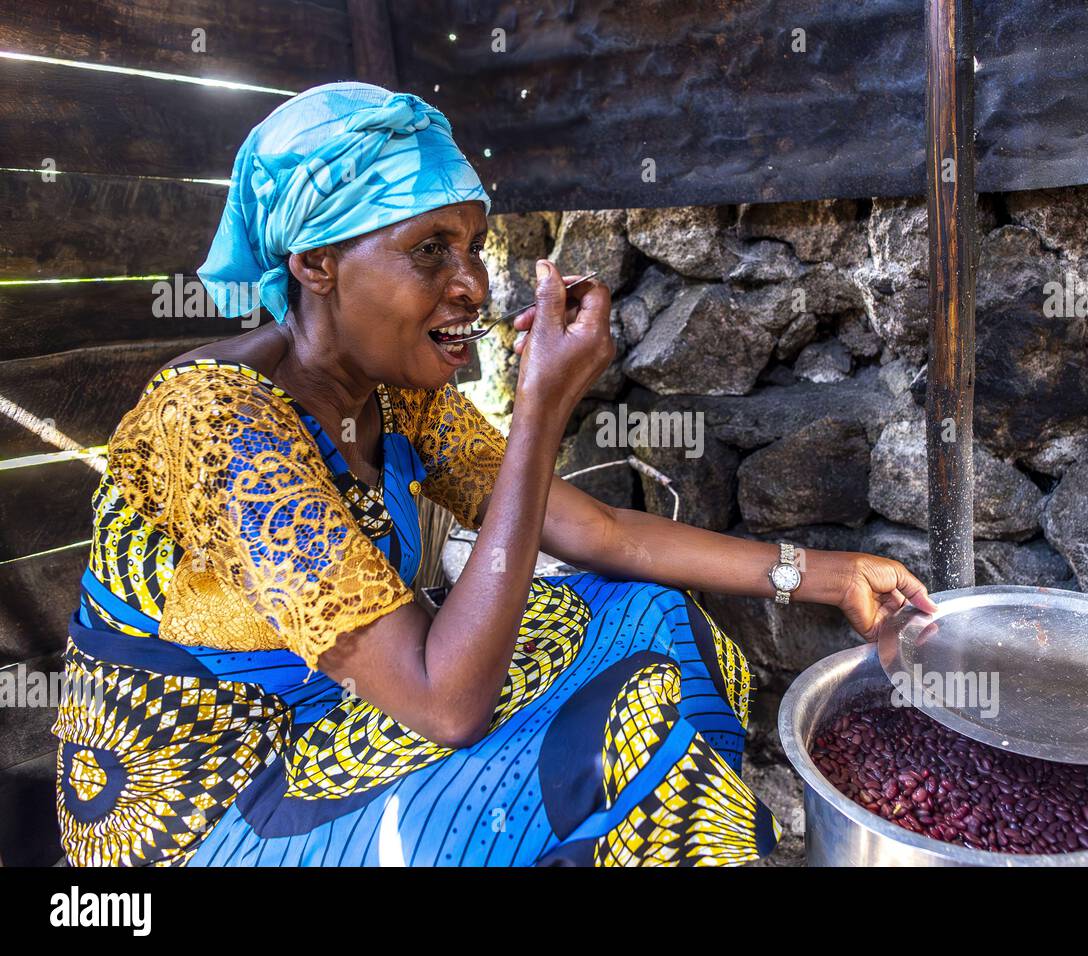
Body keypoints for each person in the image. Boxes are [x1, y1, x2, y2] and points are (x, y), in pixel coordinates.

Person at [51, 82, 937, 866]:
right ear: (316, 263)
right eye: (430, 249)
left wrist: (828, 574)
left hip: (346, 720)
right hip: (198, 814)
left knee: (649, 616)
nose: (472, 283)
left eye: (472, 246)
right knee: (630, 719)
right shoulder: (218, 423)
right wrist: (540, 411)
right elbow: (446, 706)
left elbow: (598, 534)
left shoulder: (392, 389)